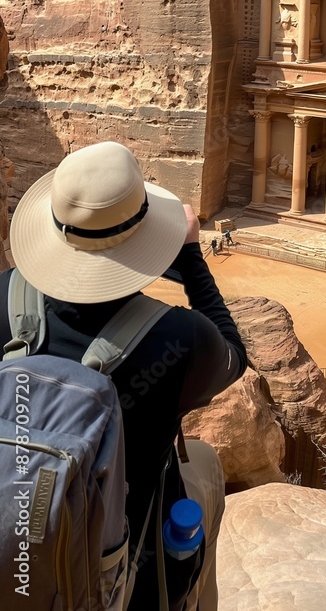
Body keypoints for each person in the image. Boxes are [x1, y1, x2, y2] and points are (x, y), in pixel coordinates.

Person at [0, 141, 248, 611]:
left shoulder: (1, 297)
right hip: (116, 570)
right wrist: (192, 260)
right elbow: (234, 356)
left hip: (13, 534)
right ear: (149, 237)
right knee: (206, 464)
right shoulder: (180, 337)